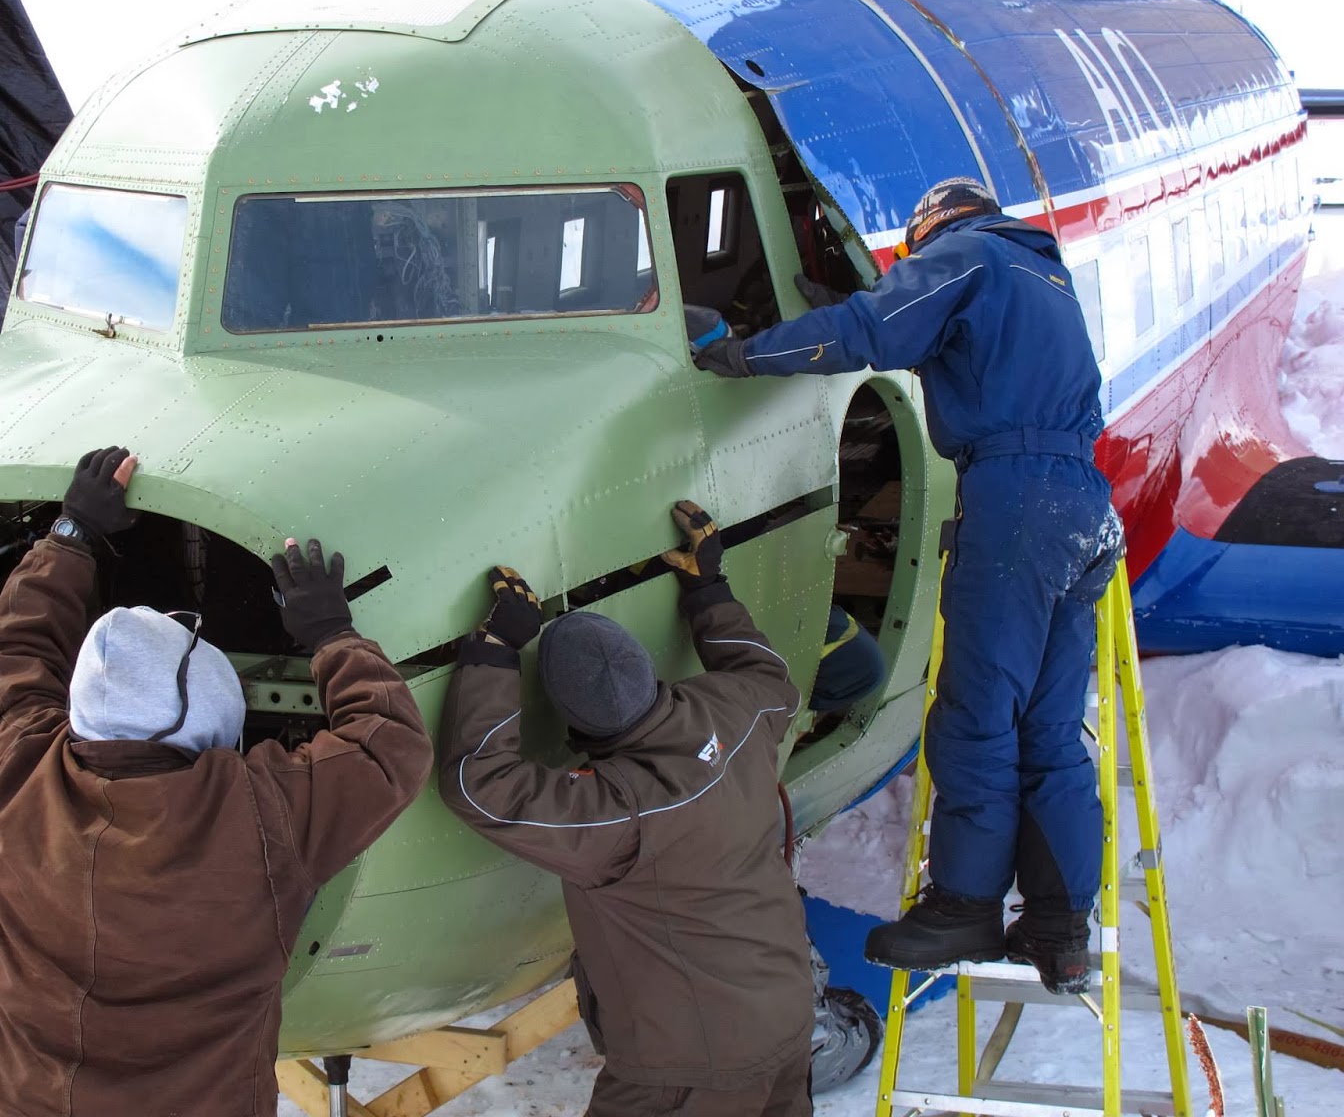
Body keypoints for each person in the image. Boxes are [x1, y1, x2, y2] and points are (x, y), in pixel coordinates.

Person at [688, 177, 1123, 995]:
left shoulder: (965, 257)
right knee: (1049, 731)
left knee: (977, 714)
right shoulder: (1039, 272)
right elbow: (933, 335)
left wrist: (743, 353)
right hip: (1083, 508)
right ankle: (1061, 929)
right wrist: (840, 303)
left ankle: (964, 905)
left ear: (929, 232)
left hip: (1016, 500)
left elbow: (871, 329)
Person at [0, 447, 433, 1117]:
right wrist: (331, 633)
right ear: (213, 723)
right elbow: (392, 749)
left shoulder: (21, 764)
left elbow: (8, 653)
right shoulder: (258, 815)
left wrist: (70, 533)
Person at [440, 501, 815, 1117]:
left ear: (574, 726)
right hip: (786, 1015)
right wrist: (708, 588)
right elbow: (769, 675)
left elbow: (478, 784)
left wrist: (496, 650)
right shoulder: (738, 712)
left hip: (692, 1066)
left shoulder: (622, 813)